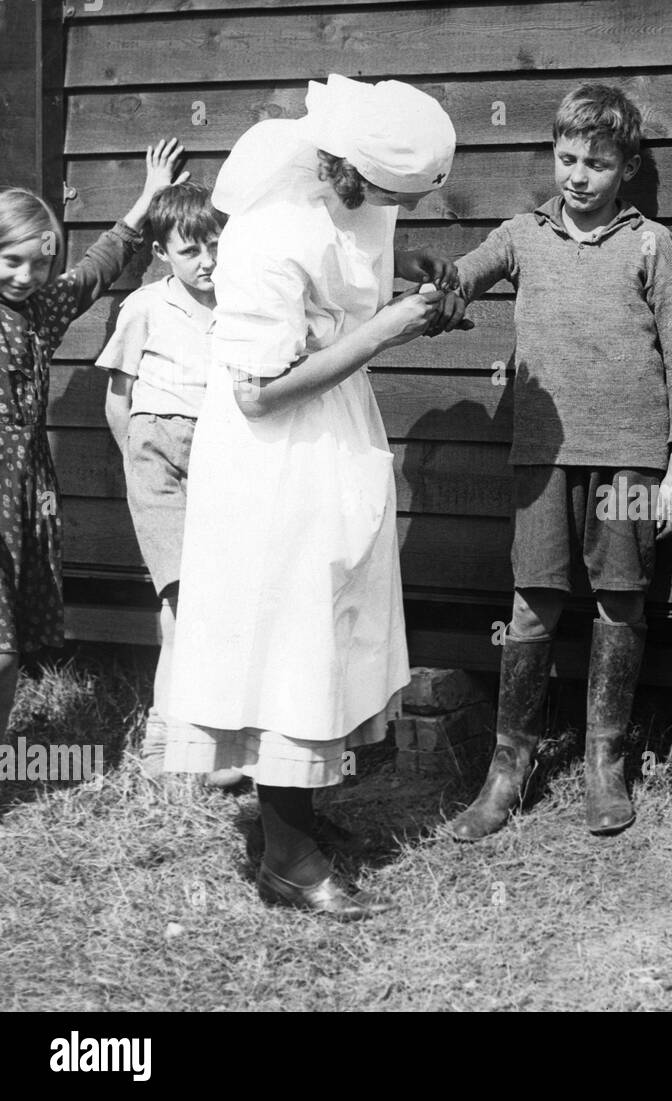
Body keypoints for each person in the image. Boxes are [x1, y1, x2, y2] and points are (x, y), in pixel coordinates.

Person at [165, 75, 463, 920]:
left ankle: (294, 816)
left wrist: (408, 271)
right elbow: (261, 390)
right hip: (274, 453)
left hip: (327, 433)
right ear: (345, 170)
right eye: (389, 198)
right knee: (288, 630)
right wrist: (386, 329)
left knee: (326, 621)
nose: (390, 210)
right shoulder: (267, 232)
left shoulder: (338, 181)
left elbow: (355, 249)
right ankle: (287, 859)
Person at [445, 83, 672, 840]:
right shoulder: (522, 235)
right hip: (544, 456)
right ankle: (507, 768)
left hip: (631, 459)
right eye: (567, 158)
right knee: (533, 602)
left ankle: (603, 761)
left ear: (626, 165)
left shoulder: (652, 242)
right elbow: (462, 276)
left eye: (596, 161)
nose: (578, 175)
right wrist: (433, 280)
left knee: (621, 597)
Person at [0, 141, 186, 739]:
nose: (26, 277)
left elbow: (93, 273)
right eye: (10, 262)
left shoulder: (40, 311)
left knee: (10, 649)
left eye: (38, 263)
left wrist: (145, 202)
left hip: (22, 499)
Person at [97, 181, 240, 788]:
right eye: (191, 251)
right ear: (161, 254)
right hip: (156, 456)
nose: (207, 262)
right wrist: (137, 457)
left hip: (219, 456)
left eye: (215, 246)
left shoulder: (238, 304)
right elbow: (117, 400)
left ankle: (216, 745)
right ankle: (163, 745)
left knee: (221, 601)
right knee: (181, 605)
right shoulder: (146, 307)